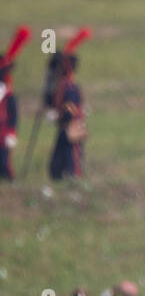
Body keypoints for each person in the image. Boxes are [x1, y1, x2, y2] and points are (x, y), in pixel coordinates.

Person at [45, 27, 90, 181]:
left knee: (72, 164)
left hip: (71, 128)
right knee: (56, 166)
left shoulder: (69, 87)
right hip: (64, 128)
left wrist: (59, 116)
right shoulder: (63, 86)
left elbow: (70, 108)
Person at [0, 25, 31, 181]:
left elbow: (14, 115)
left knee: (4, 162)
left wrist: (12, 132)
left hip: (3, 133)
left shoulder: (9, 95)